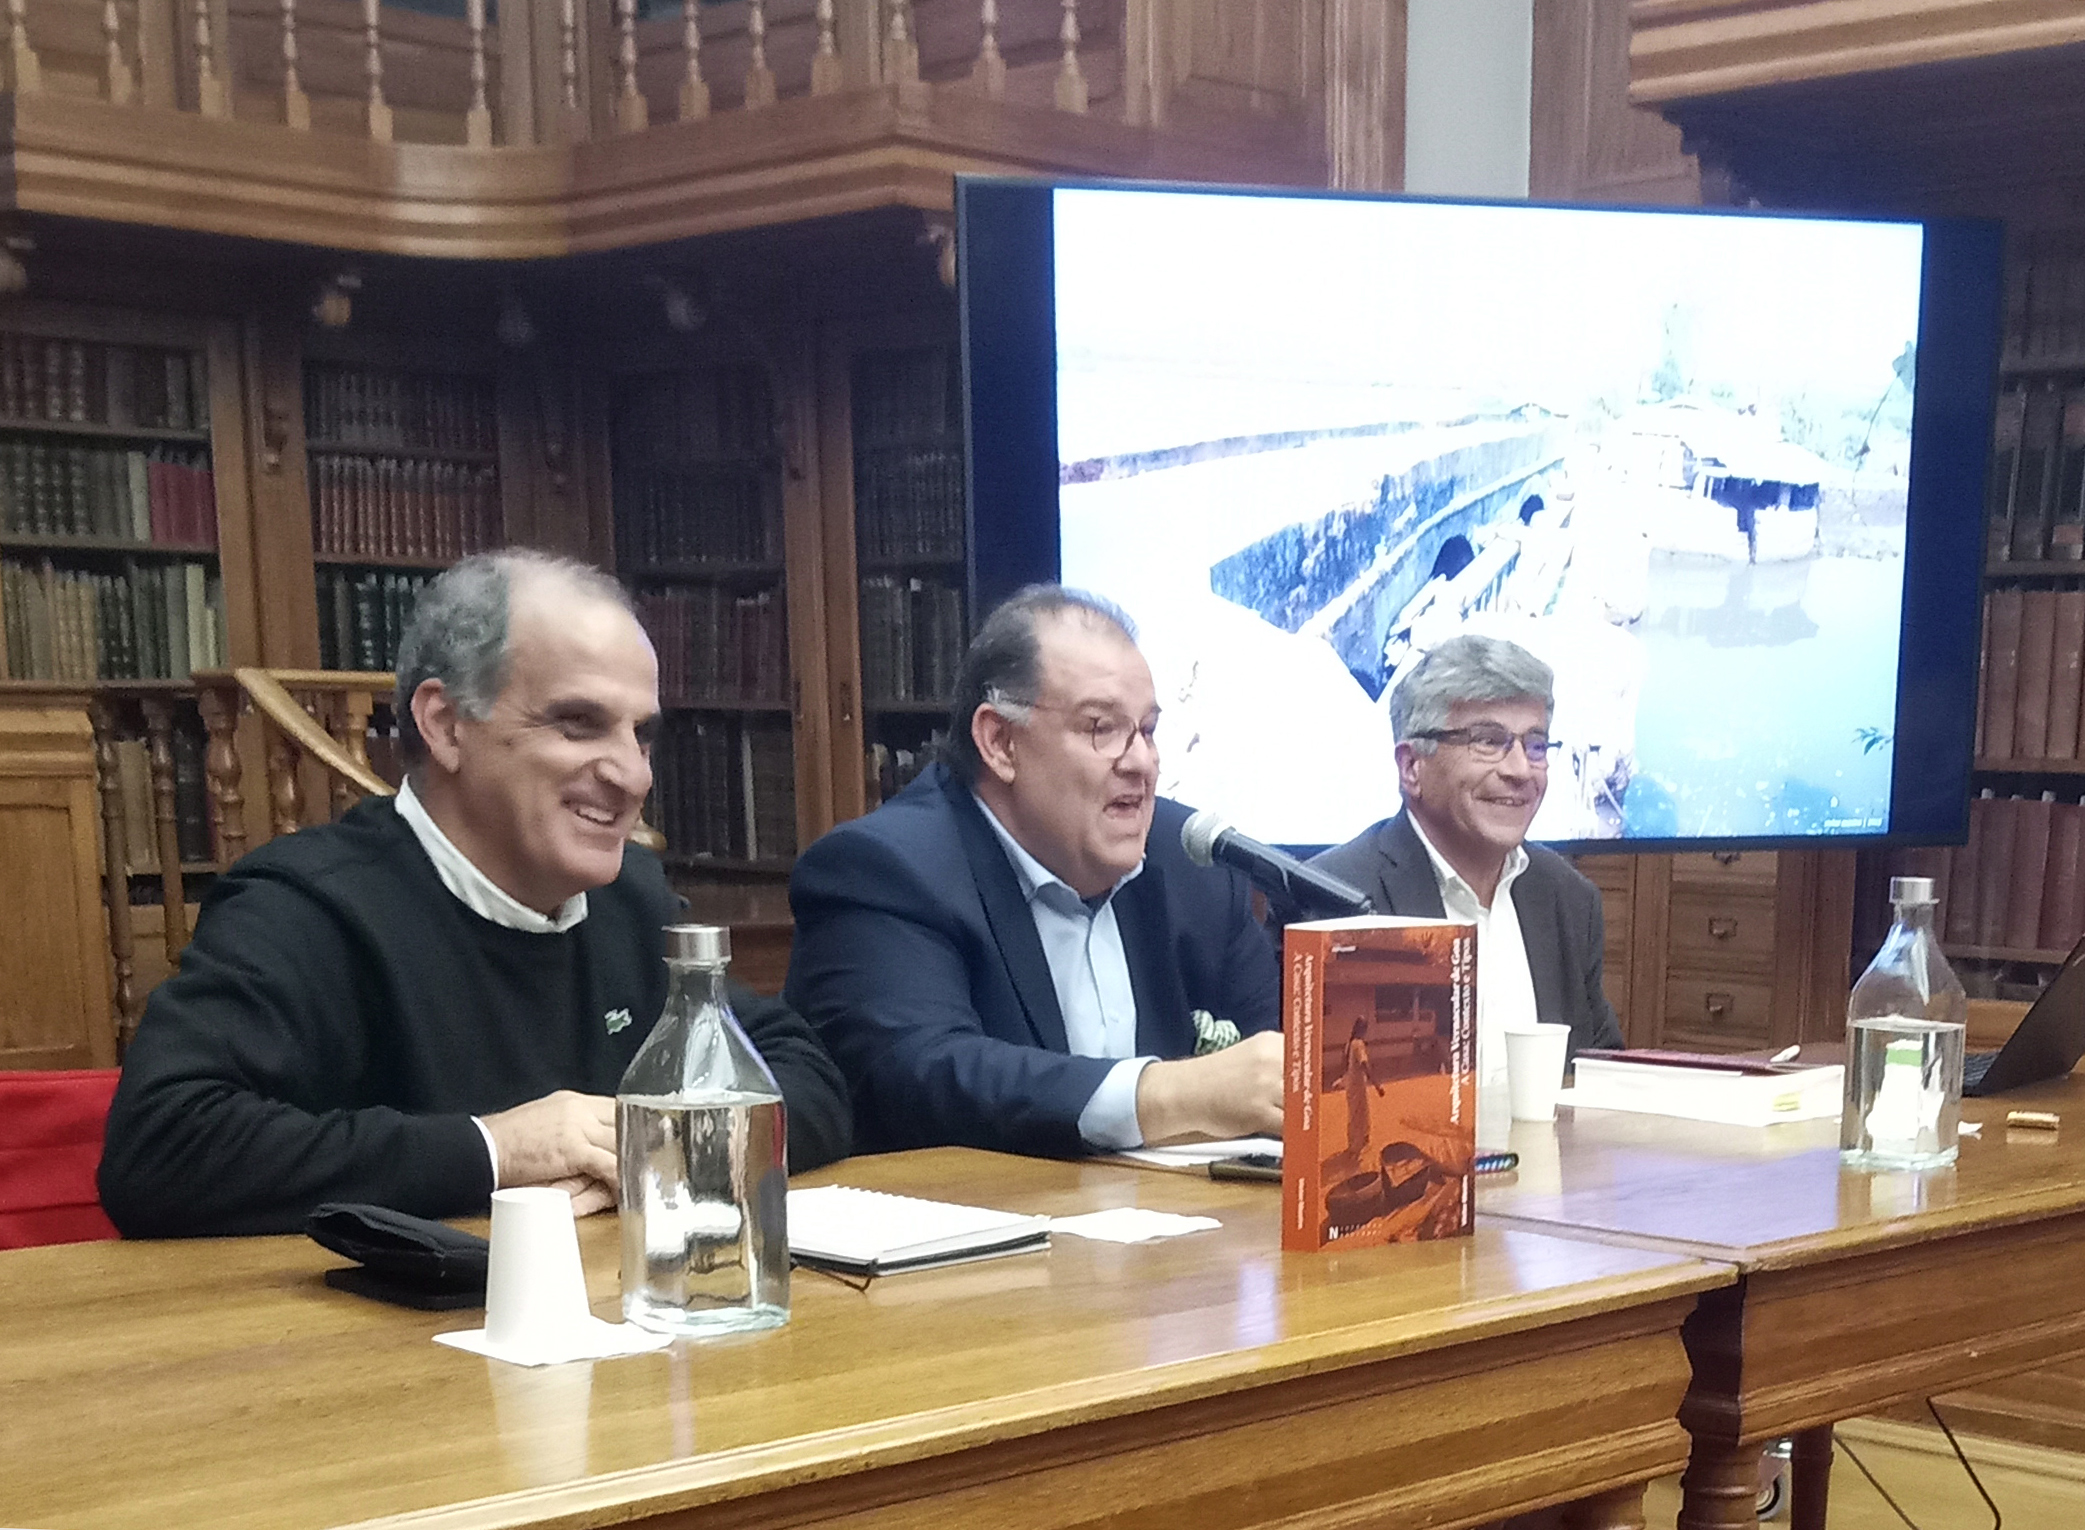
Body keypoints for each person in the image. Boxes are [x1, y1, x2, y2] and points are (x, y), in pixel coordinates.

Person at [99, 550, 850, 1238]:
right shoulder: (307, 907)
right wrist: (496, 1150)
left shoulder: (632, 902)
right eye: (578, 724)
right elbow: (162, 1148)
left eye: (642, 735)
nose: (633, 775)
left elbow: (805, 1076)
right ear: (445, 724)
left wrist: (663, 1144)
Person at [785, 585, 1282, 1157]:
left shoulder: (1192, 862)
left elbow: (1276, 1061)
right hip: (976, 1232)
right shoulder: (885, 870)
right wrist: (1168, 1094)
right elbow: (922, 1077)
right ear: (1000, 742)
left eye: (1146, 730)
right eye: (1102, 728)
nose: (1143, 763)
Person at [1311, 634, 1623, 1115]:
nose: (1521, 770)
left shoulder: (1568, 899)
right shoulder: (1337, 899)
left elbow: (1600, 1079)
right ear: (1411, 766)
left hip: (1549, 1185)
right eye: (1489, 741)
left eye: (1536, 745)